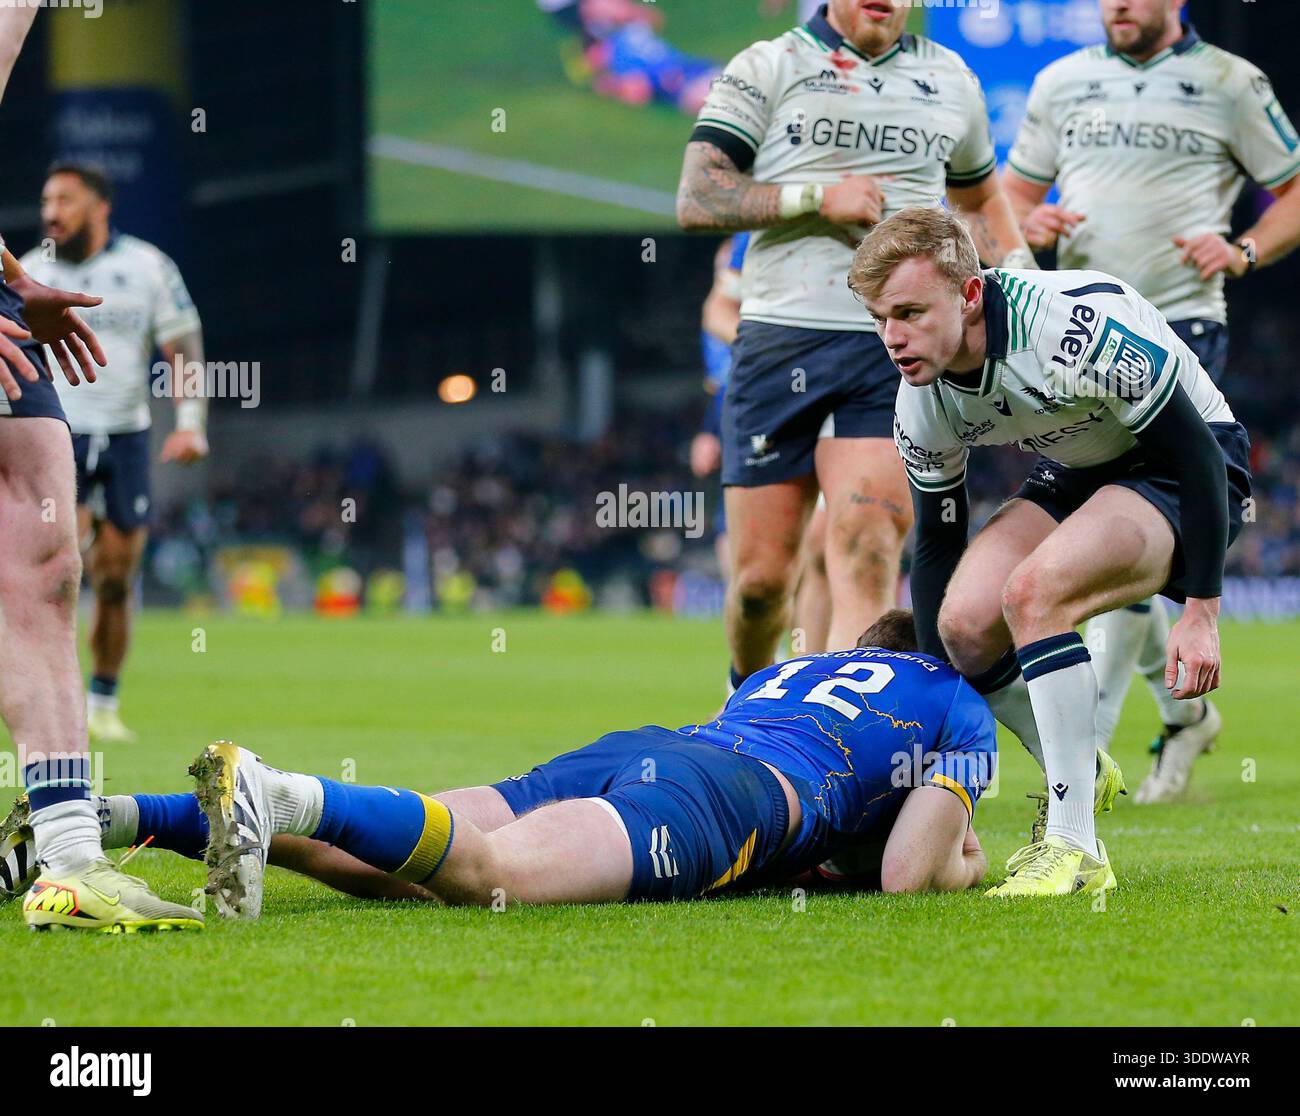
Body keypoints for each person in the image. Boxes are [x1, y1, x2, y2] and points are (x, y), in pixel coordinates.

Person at [2, 611, 997, 917]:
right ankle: (276, 790)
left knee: (391, 863)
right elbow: (913, 869)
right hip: (724, 799)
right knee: (494, 880)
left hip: (649, 748)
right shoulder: (955, 701)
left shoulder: (793, 667)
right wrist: (974, 855)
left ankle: (96, 819)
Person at [850, 205, 1250, 896]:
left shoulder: (1066, 332)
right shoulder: (921, 397)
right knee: (965, 622)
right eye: (881, 317)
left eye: (911, 312)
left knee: (1035, 592)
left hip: (1184, 465)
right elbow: (939, 543)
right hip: (1079, 466)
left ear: (970, 295)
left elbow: (1195, 451)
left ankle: (1075, 847)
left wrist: (1202, 610)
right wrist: (937, 697)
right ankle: (1079, 768)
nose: (893, 337)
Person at [676, 0, 1034, 692]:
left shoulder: (951, 78)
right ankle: (744, 699)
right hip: (780, 339)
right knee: (759, 584)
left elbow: (981, 201)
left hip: (892, 347)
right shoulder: (769, 64)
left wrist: (1024, 289)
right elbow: (698, 195)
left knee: (867, 546)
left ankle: (832, 744)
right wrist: (814, 196)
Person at [1003, 0, 1300, 801]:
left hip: (1180, 329)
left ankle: (1090, 744)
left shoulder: (1230, 81)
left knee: (1135, 513)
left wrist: (1243, 249)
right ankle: (1183, 716)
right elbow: (1008, 195)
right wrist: (1030, 220)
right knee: (1111, 534)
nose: (1118, 5)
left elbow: (1294, 190)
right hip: (1075, 329)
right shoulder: (1062, 80)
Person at [0, 6, 201, 932]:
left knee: (53, 571)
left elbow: (184, 344)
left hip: (92, 406)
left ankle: (69, 858)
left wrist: (11, 276)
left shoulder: (147, 265)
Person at [21, 163, 208, 744]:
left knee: (115, 580)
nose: (52, 212)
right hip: (56, 433)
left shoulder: (148, 266)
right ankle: (51, 699)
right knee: (57, 571)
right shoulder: (28, 270)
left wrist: (191, 422)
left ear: (100, 206)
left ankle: (104, 701)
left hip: (127, 435)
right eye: (47, 199)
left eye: (66, 200)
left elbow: (183, 344)